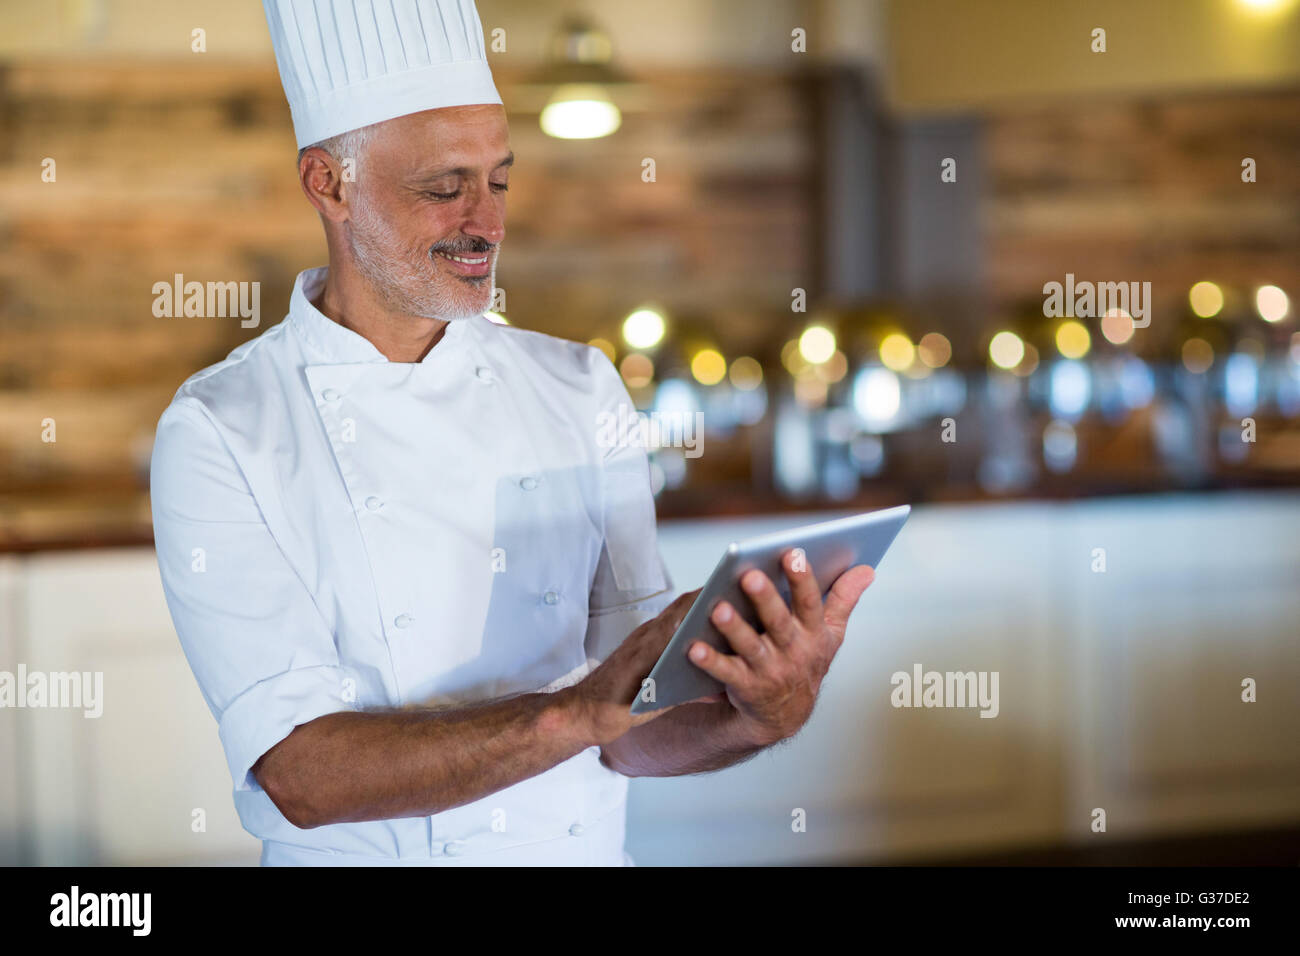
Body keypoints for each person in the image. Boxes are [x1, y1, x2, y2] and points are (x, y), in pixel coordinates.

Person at [149, 0, 876, 866]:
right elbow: (301, 776)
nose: (486, 224)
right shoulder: (222, 429)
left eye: (497, 180)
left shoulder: (579, 388)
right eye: (443, 187)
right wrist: (577, 711)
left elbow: (631, 734)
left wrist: (760, 713)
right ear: (328, 184)